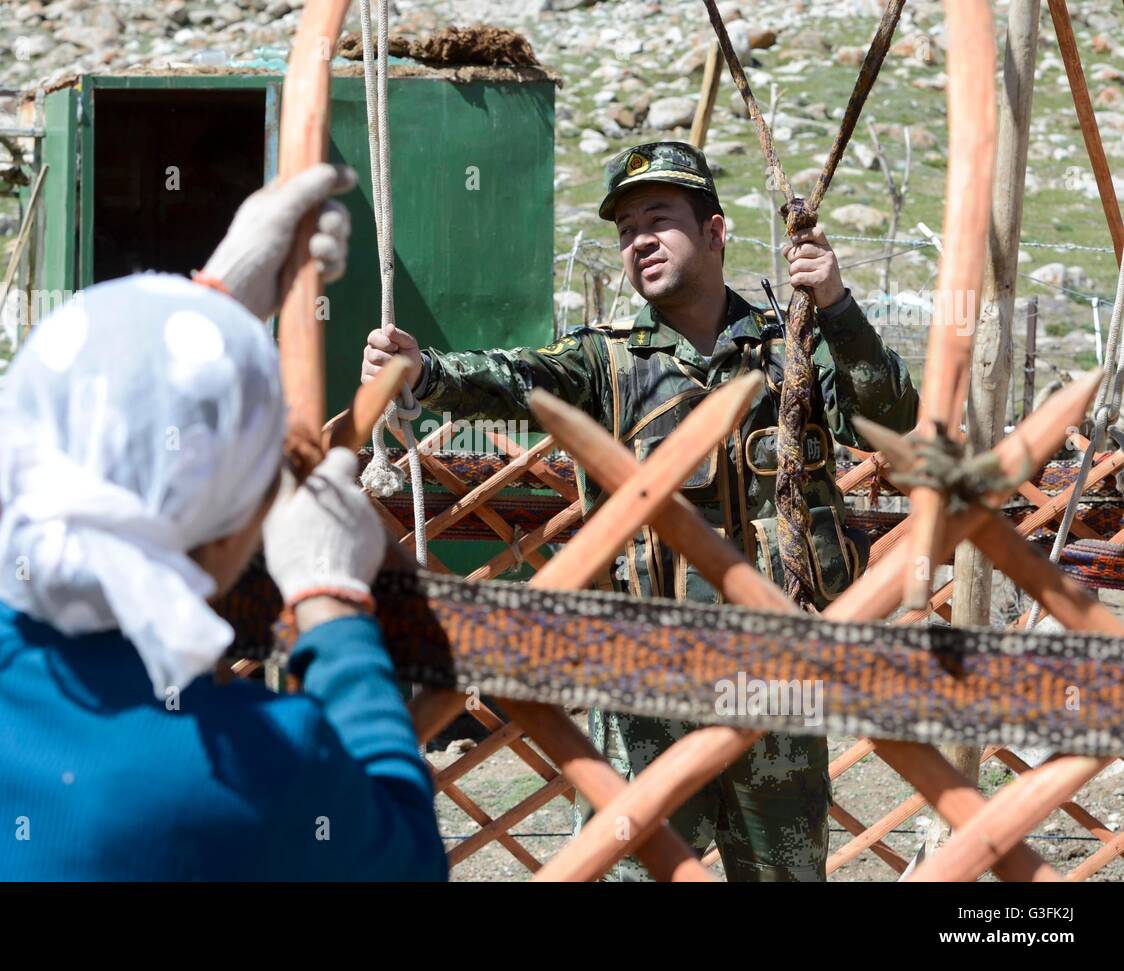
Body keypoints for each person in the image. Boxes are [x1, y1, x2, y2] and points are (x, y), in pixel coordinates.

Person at [0, 164, 447, 881]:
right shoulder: (250, 768)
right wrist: (331, 600)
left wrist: (214, 301)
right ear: (234, 534)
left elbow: (42, 471)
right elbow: (406, 858)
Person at [360, 141, 919, 881]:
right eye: (625, 230)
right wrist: (424, 371)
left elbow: (893, 419)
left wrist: (838, 307)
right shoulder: (605, 360)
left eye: (659, 219)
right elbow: (508, 377)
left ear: (716, 232)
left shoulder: (792, 352)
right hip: (644, 689)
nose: (639, 241)